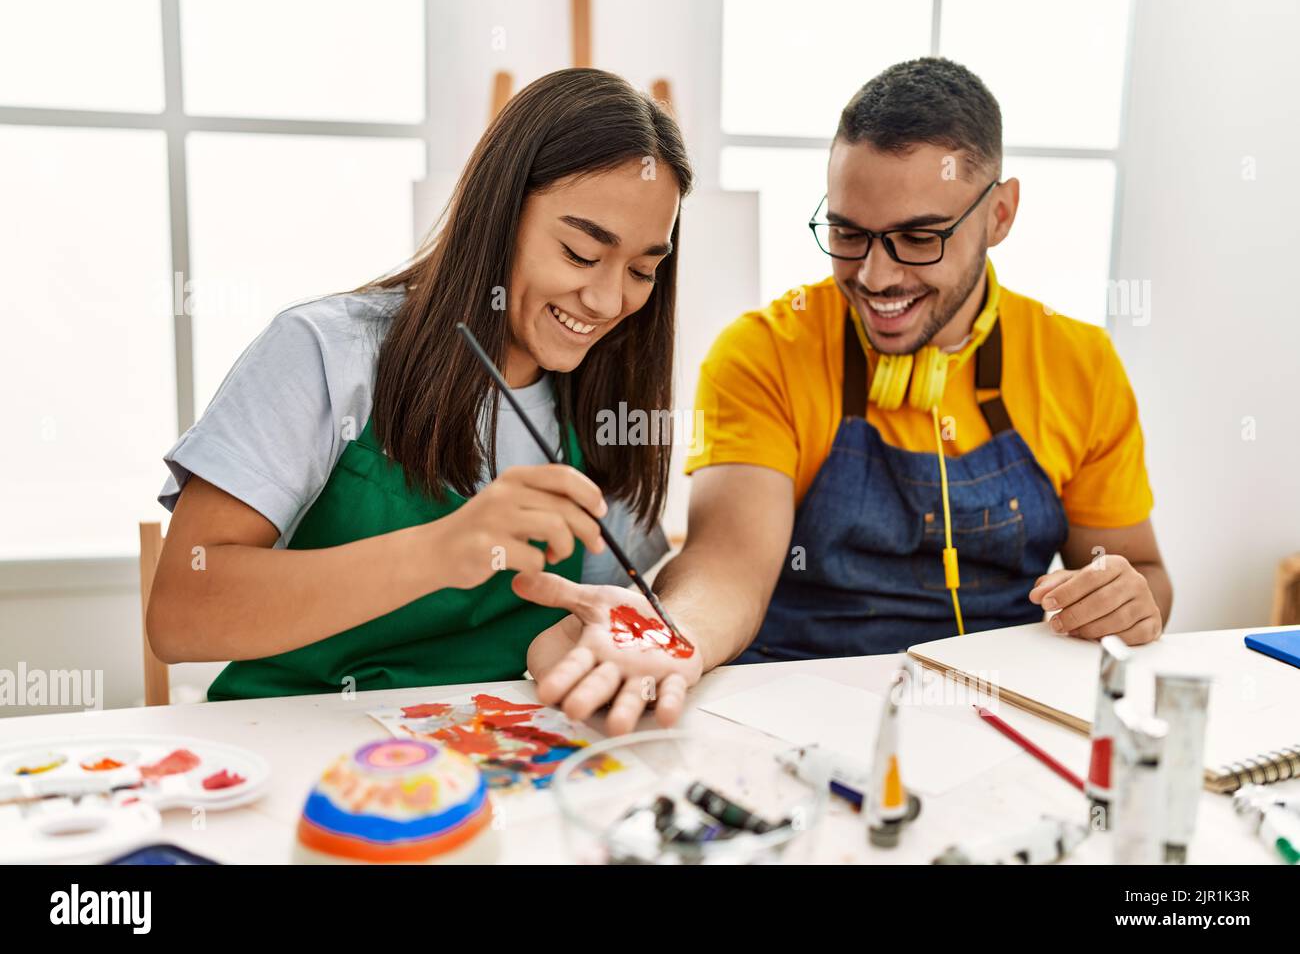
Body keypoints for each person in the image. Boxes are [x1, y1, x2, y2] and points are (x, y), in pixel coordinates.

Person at [527, 58, 1171, 730]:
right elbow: (727, 564)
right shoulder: (765, 351)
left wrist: (1129, 600)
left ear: (1000, 213)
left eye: (920, 238)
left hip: (1005, 714)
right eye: (848, 234)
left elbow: (1145, 573)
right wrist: (670, 639)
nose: (875, 275)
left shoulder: (1081, 364)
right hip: (794, 711)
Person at [147, 68, 696, 703]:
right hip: (292, 756)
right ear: (497, 215)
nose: (606, 299)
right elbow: (181, 614)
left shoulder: (610, 403)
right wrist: (440, 550)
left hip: (491, 761)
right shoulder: (325, 351)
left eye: (642, 269)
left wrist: (566, 642)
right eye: (578, 253)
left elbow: (568, 619)